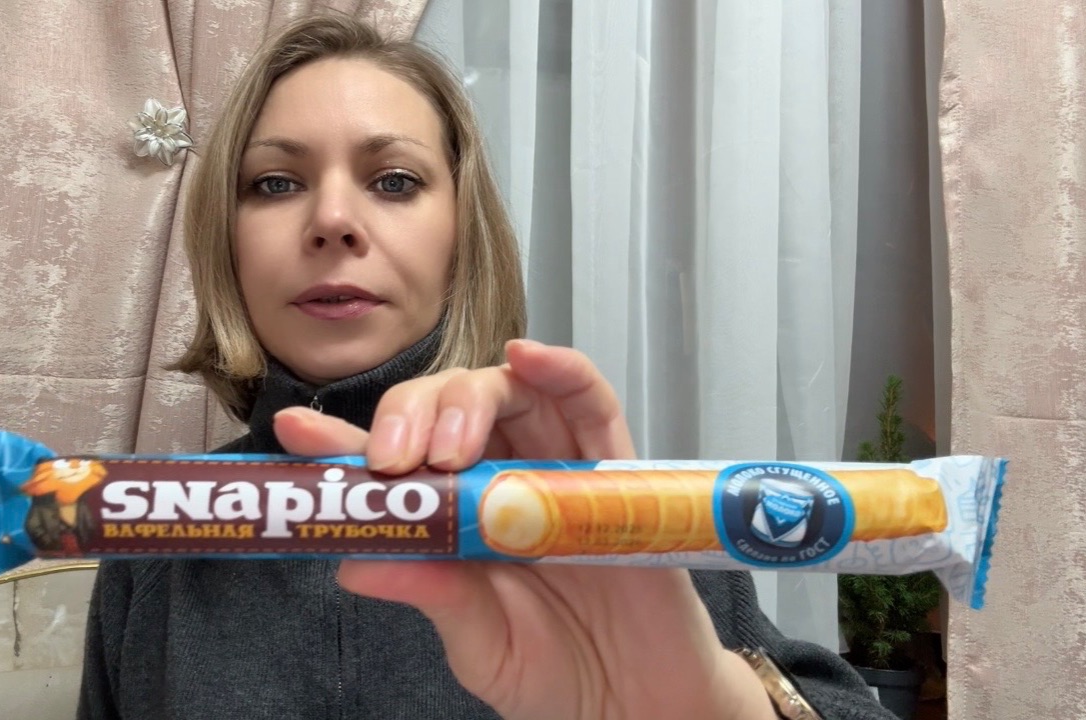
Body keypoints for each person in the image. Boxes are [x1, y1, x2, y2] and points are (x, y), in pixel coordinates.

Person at [78, 13, 896, 720]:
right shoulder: (154, 549)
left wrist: (715, 704)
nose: (332, 219)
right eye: (276, 182)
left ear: (463, 236)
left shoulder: (606, 518)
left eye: (393, 180)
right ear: (226, 241)